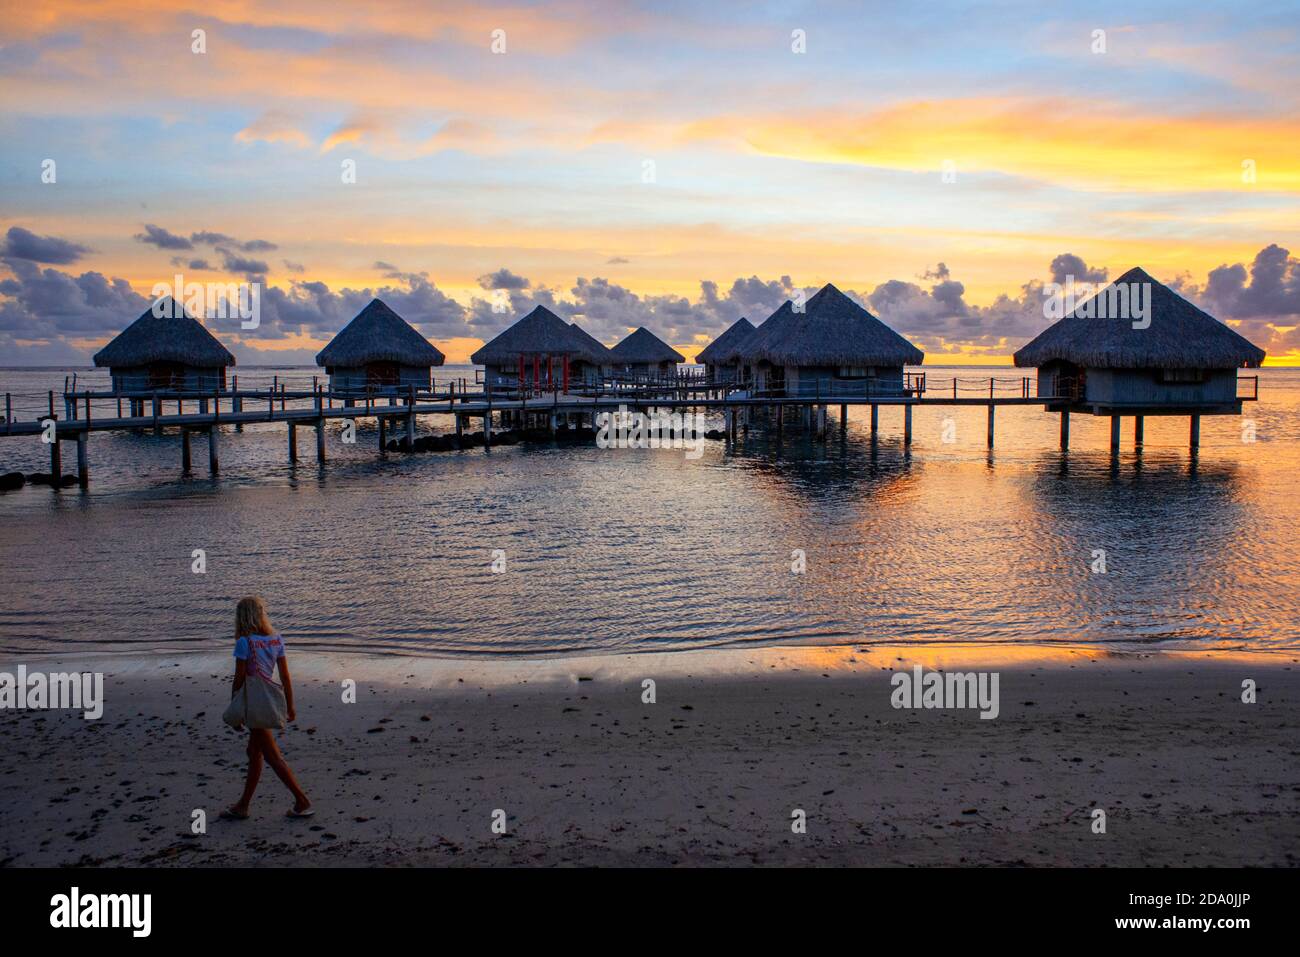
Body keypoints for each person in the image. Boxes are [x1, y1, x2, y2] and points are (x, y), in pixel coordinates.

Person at [220, 596, 313, 820]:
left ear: (242, 617)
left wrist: (236, 710)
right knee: (254, 752)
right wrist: (290, 705)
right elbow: (285, 677)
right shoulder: (276, 640)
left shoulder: (244, 643)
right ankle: (243, 805)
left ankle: (302, 801)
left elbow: (239, 679)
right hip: (269, 700)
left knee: (272, 756)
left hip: (255, 705)